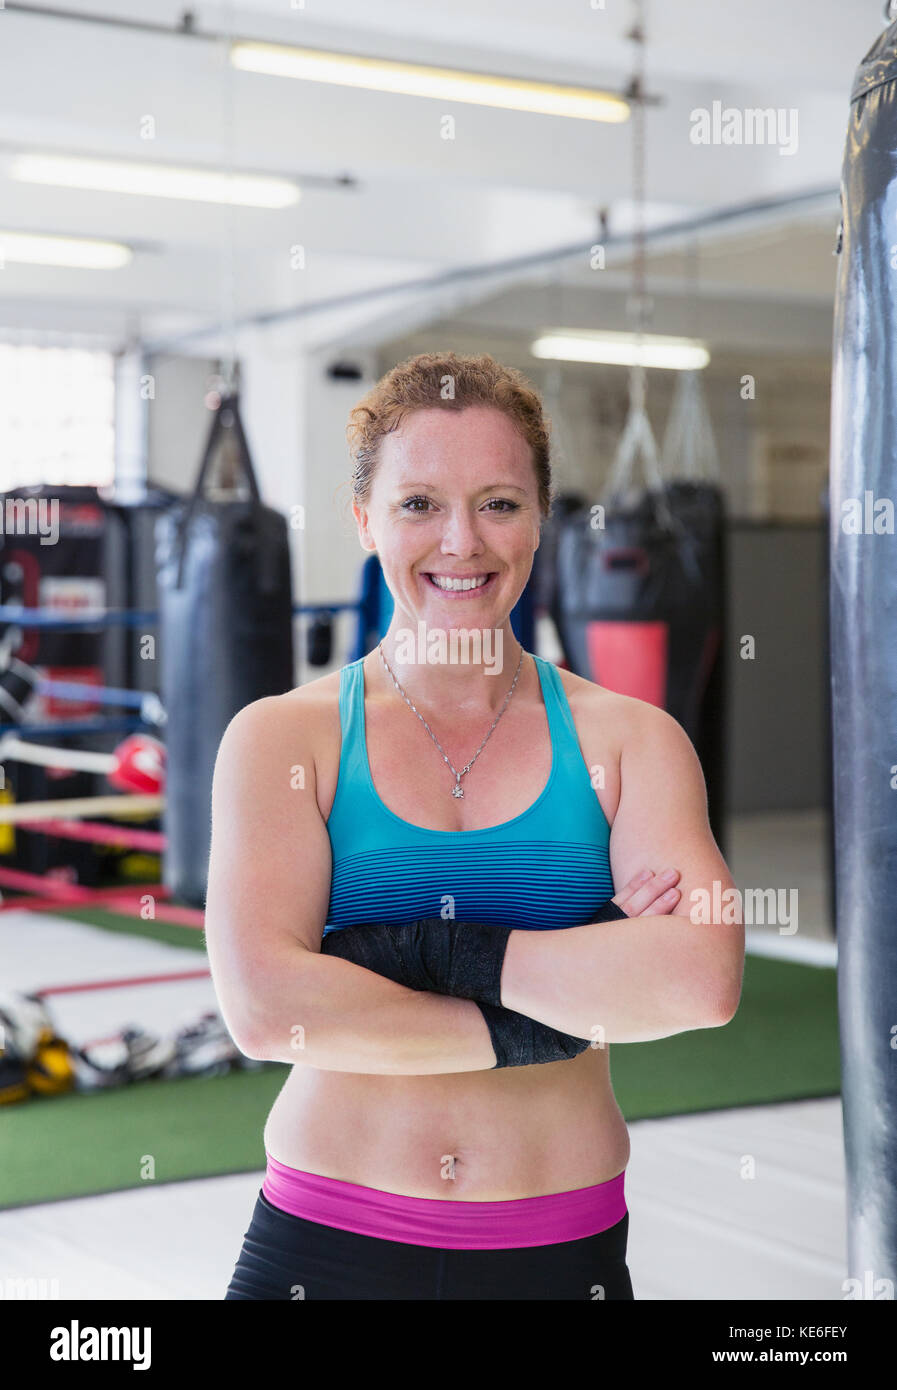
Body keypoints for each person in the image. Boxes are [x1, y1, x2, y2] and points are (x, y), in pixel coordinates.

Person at [208, 350, 744, 1300]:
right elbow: (268, 1010)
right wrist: (556, 997)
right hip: (328, 1240)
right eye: (419, 504)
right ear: (364, 518)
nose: (462, 541)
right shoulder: (282, 739)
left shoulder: (629, 741)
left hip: (559, 1247)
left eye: (498, 502)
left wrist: (420, 956)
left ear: (540, 517)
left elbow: (698, 983)